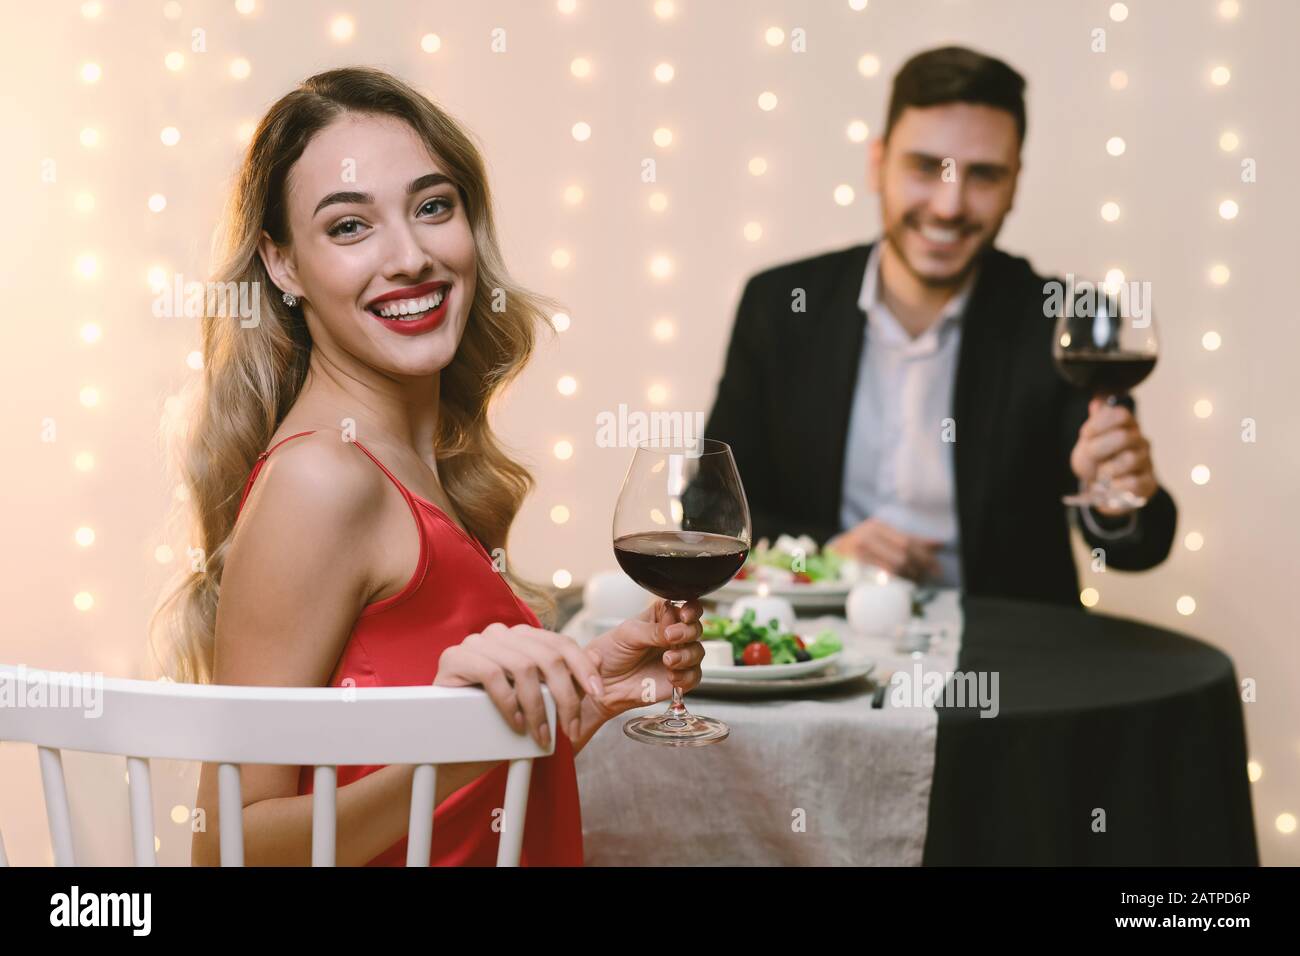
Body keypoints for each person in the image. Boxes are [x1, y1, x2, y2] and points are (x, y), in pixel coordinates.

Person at [148, 66, 705, 866]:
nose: (409, 256)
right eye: (348, 227)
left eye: (432, 207)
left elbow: (440, 794)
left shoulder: (411, 462)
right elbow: (227, 845)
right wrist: (456, 746)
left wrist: (580, 692)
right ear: (283, 265)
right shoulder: (324, 481)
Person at [703, 46, 1176, 605]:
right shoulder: (780, 303)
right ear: (877, 164)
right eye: (926, 168)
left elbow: (1135, 548)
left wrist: (1115, 497)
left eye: (983, 175)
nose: (950, 205)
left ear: (1015, 184)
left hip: (1010, 660)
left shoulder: (1066, 317)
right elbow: (708, 509)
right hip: (816, 643)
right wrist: (827, 552)